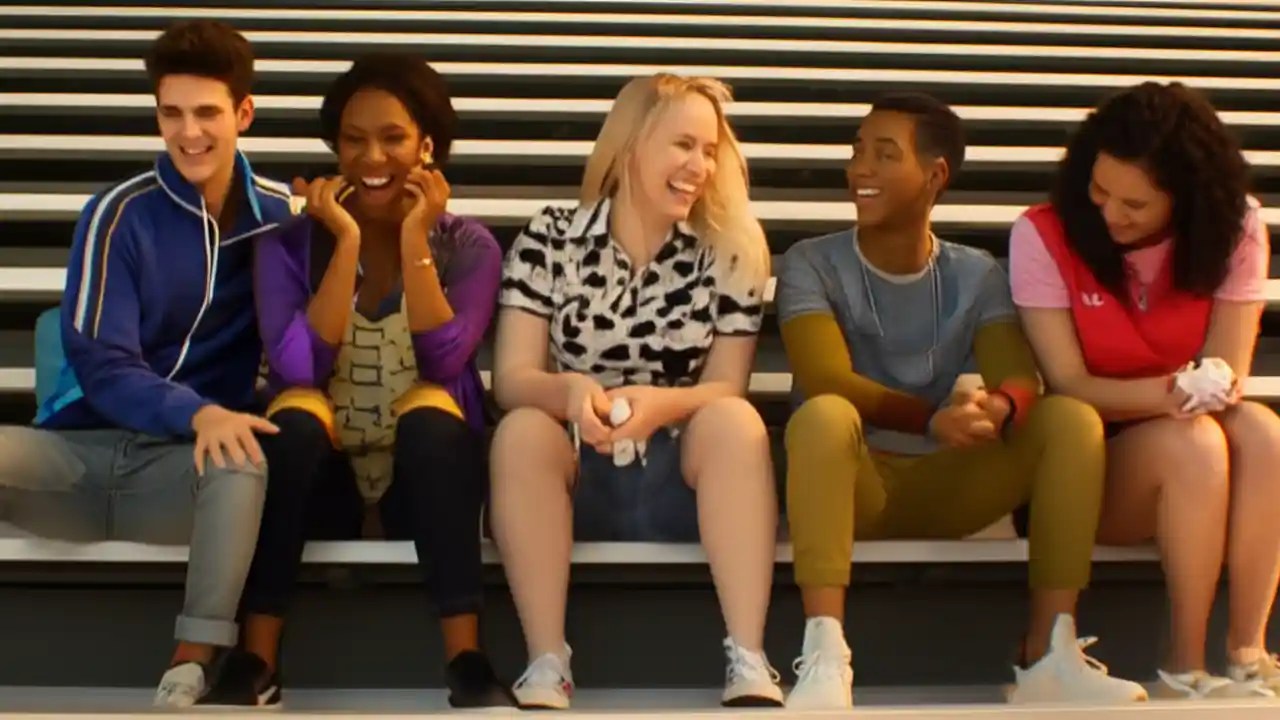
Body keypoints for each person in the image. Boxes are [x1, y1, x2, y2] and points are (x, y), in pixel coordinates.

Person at [776, 92, 1150, 709]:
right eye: (856, 151)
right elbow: (824, 377)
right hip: (851, 484)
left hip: (946, 484)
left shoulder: (975, 274)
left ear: (935, 175)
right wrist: (932, 417)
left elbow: (1019, 379)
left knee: (1068, 418)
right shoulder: (810, 263)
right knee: (822, 414)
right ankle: (823, 653)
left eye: (883, 154)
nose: (859, 168)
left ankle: (1049, 653)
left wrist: (999, 408)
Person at [198, 54, 513, 709]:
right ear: (335, 147)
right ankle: (255, 659)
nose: (373, 154)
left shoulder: (470, 246)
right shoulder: (287, 244)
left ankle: (467, 658)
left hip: (423, 482)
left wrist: (415, 238)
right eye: (353, 138)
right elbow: (298, 367)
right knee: (291, 417)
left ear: (426, 146)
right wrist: (341, 246)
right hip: (323, 481)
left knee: (430, 415)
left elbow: (445, 359)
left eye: (393, 137)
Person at [0, 20, 289, 708]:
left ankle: (193, 659)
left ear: (243, 113)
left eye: (208, 113)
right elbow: (101, 362)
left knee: (241, 459)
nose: (189, 133)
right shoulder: (117, 213)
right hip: (75, 456)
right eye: (172, 113)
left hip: (184, 472)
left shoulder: (276, 217)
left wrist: (214, 419)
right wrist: (198, 409)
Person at [489, 73, 783, 709]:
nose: (699, 166)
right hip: (575, 475)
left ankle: (749, 655)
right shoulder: (552, 234)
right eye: (683, 145)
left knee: (735, 421)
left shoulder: (732, 249)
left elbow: (728, 383)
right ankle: (547, 660)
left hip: (682, 481)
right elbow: (512, 379)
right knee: (521, 430)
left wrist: (661, 407)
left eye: (710, 151)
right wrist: (571, 393)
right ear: (630, 144)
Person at [1010, 81, 1280, 700]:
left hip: (1186, 425)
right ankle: (1184, 658)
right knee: (1195, 443)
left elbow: (1228, 367)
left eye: (1135, 204)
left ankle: (1247, 649)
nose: (1110, 215)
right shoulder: (1044, 233)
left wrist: (1200, 387)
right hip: (1089, 462)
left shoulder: (1237, 227)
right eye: (1100, 191)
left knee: (1263, 432)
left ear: (1184, 201)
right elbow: (1069, 384)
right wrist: (1167, 394)